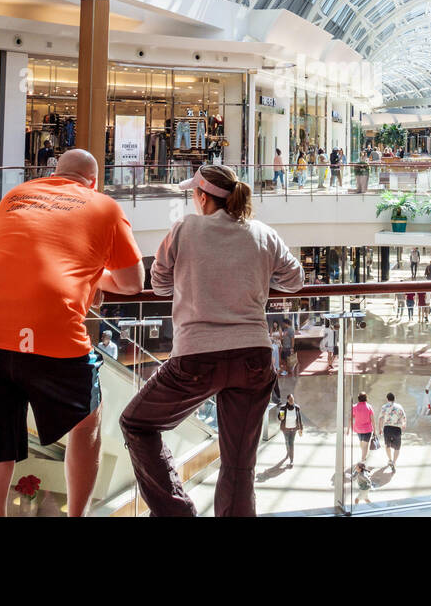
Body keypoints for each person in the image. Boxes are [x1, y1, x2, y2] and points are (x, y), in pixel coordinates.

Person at [0, 149, 145, 517]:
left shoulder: (15, 196)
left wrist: (82, 269)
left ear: (54, 173)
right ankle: (77, 515)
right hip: (48, 327)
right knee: (87, 421)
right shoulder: (104, 206)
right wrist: (92, 272)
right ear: (93, 182)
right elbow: (133, 282)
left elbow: (22, 254)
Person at [120, 163, 303, 517]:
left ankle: (176, 512)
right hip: (253, 354)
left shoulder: (185, 229)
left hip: (196, 357)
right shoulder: (262, 233)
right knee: (238, 463)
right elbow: (294, 280)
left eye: (194, 193)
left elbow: (159, 285)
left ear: (202, 197)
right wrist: (255, 280)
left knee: (136, 422)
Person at [377, 392, 407, 470]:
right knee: (397, 447)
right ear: (394, 398)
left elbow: (380, 418)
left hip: (387, 428)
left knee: (387, 445)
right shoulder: (399, 407)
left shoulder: (384, 407)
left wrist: (379, 428)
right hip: (397, 429)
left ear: (387, 399)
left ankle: (390, 460)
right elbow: (404, 417)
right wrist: (403, 424)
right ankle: (394, 462)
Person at [278, 394, 304, 467]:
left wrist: (301, 428)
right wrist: (281, 417)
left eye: (293, 399)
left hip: (293, 429)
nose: (292, 401)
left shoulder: (297, 408)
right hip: (285, 429)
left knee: (291, 443)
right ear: (287, 400)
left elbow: (299, 418)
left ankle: (291, 460)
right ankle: (288, 452)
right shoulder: (283, 408)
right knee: (287, 442)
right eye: (290, 399)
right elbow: (280, 418)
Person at [352, 392, 375, 464]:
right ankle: (363, 460)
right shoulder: (369, 407)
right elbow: (373, 420)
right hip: (367, 429)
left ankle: (363, 458)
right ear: (366, 398)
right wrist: (375, 430)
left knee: (362, 443)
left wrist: (350, 427)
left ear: (358, 398)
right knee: (365, 445)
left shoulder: (354, 407)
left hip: (358, 429)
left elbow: (350, 417)